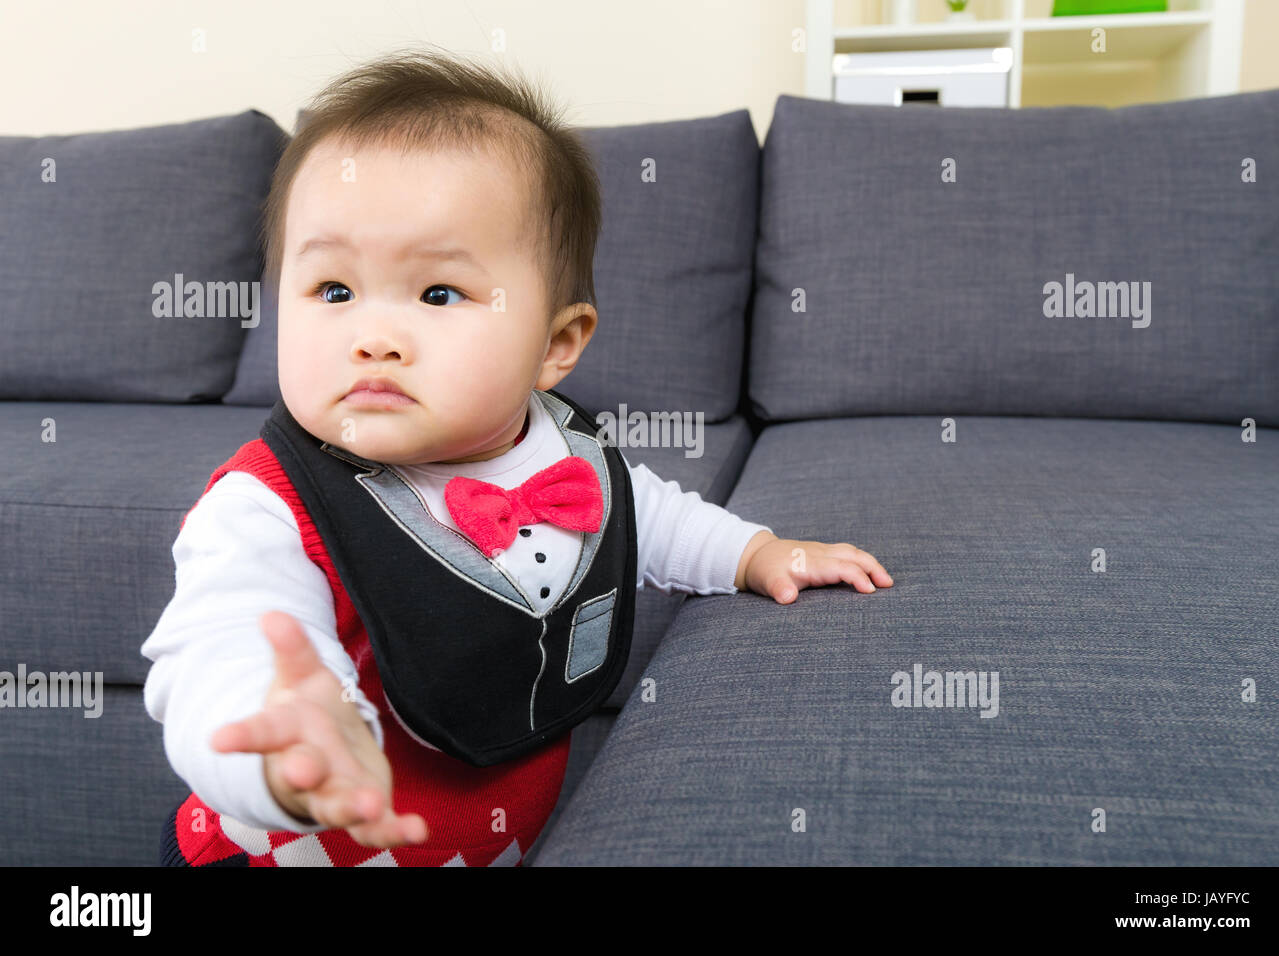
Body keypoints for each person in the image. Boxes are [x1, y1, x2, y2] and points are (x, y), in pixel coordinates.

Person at [143, 46, 893, 867]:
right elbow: (224, 641)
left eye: (437, 294)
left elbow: (638, 510)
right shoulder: (267, 508)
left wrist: (753, 552)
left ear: (555, 344)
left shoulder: (556, 451)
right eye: (333, 291)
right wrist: (289, 732)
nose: (374, 339)